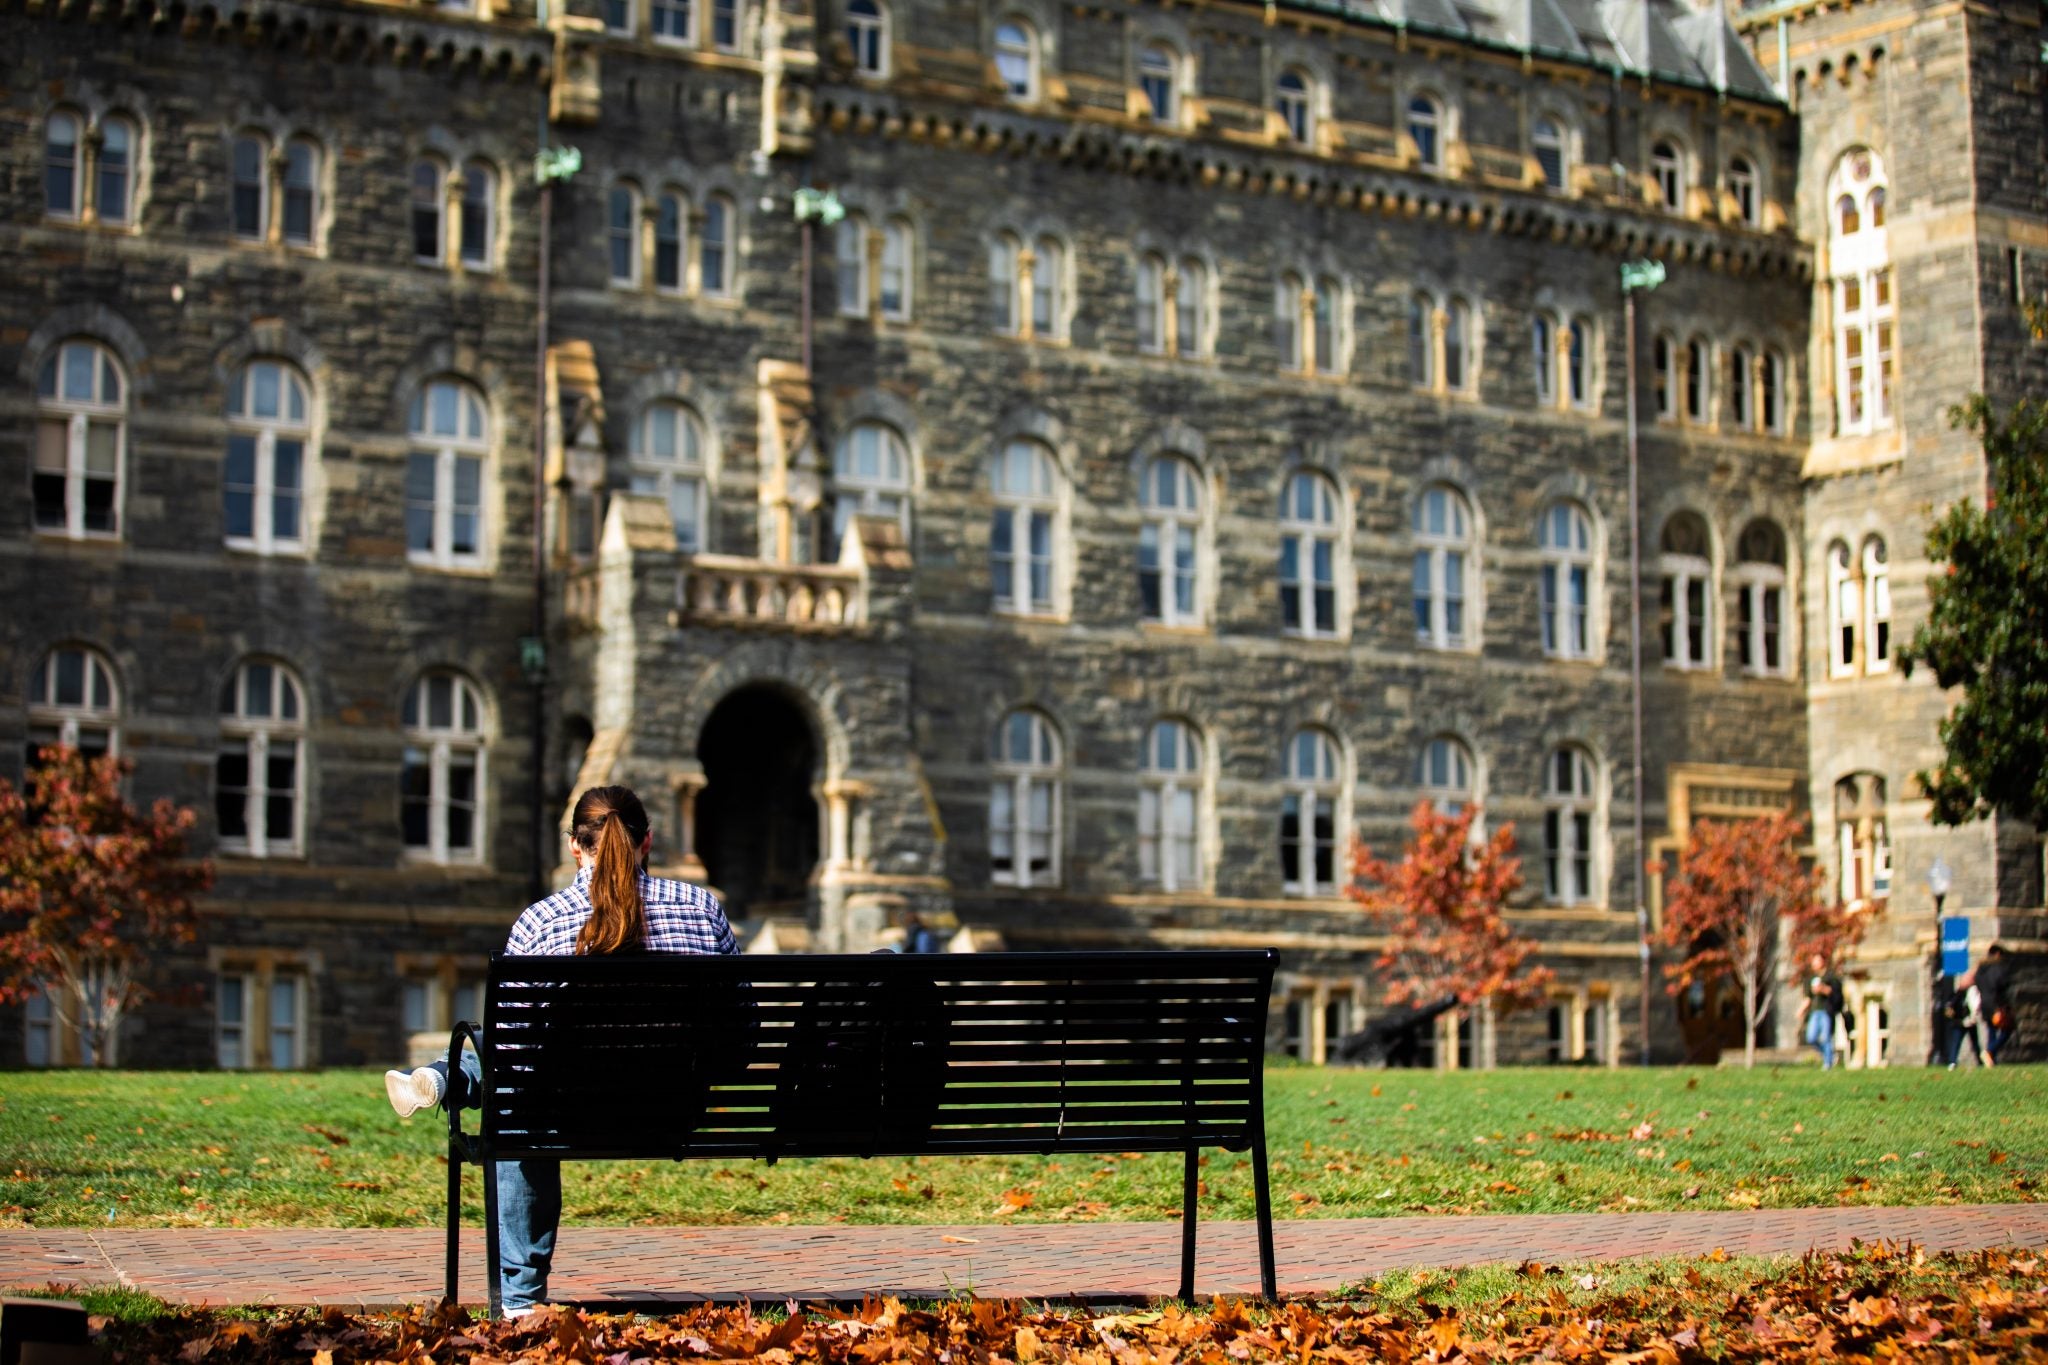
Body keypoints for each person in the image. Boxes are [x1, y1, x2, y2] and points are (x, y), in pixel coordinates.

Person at [381, 785, 738, 1317]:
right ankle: (449, 1074)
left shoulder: (544, 921)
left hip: (568, 1116)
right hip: (677, 1112)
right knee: (516, 1071)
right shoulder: (702, 909)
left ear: (575, 845)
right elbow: (743, 1026)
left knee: (511, 1087)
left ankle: (449, 1079)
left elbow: (516, 1048)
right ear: (648, 842)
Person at [1802, 953, 1842, 1069]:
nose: (1815, 963)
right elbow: (1808, 998)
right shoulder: (1810, 979)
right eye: (1813, 961)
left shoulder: (1830, 977)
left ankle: (1827, 1064)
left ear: (1823, 962)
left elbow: (1835, 993)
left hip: (1826, 1011)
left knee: (1825, 1038)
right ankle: (1829, 1055)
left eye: (1817, 961)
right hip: (1814, 1012)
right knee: (1811, 1038)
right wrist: (1801, 1011)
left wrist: (1823, 989)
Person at [1947, 968, 1994, 1069]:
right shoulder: (1959, 992)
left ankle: (1979, 1062)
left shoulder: (1972, 991)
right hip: (1960, 1021)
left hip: (1968, 1020)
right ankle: (1952, 1062)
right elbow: (1951, 1005)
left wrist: (1973, 1017)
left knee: (1973, 1042)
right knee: (1957, 1041)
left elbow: (1975, 1006)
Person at [1976, 943, 2013, 1061]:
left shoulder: (1980, 969)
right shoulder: (1997, 968)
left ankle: (1991, 1059)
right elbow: (2001, 984)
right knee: (2007, 1030)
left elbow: (1979, 984)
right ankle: (1990, 1051)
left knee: (1991, 1031)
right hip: (1996, 1004)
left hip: (1984, 1003)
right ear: (1997, 954)